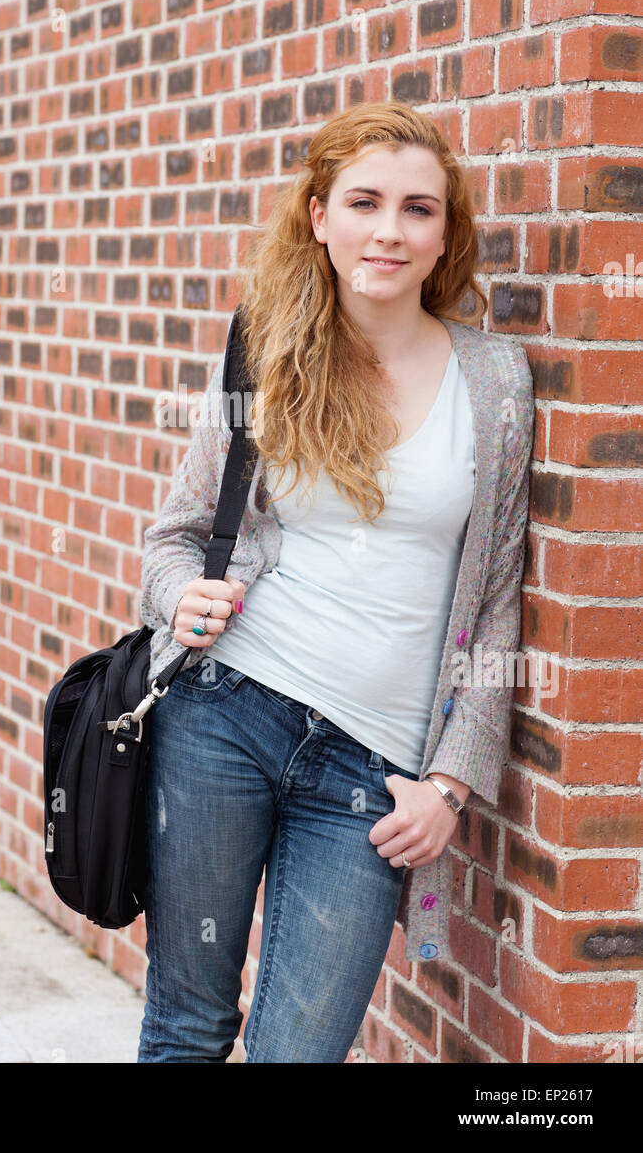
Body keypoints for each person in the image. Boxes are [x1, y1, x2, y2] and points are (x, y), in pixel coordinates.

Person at [137, 101, 535, 1063]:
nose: (390, 231)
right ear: (319, 216)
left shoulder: (496, 378)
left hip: (374, 773)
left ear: (447, 234)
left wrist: (450, 781)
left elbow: (494, 603)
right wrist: (175, 597)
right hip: (224, 712)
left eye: (418, 209)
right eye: (364, 202)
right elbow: (175, 537)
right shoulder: (262, 352)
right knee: (188, 1025)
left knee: (300, 1054)